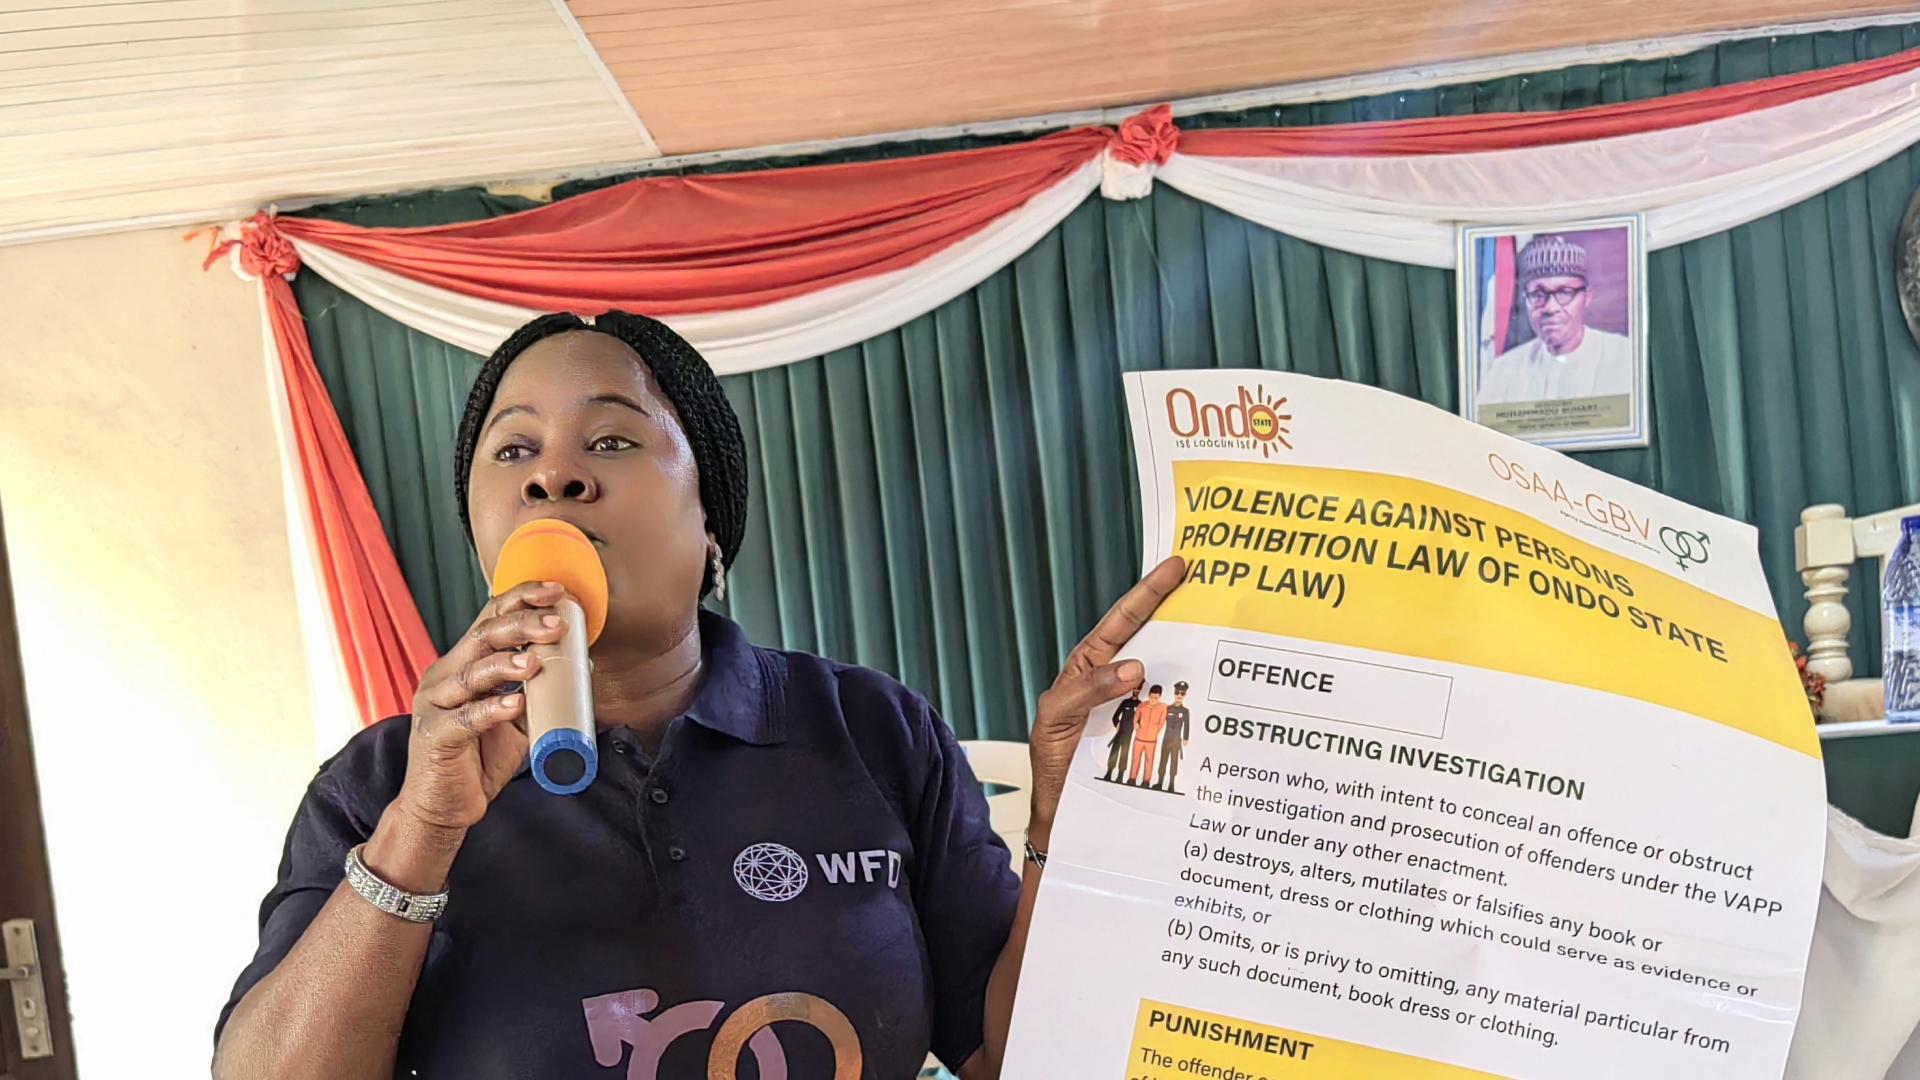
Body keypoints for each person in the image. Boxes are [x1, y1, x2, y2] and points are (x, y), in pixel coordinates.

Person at [211, 310, 1187, 1080]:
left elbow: (1016, 1056)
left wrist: (1073, 819)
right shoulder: (382, 783)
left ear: (712, 522)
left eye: (612, 440)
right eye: (514, 453)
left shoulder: (870, 731)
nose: (554, 474)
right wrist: (420, 833)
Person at [1477, 234, 1634, 406]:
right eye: (1538, 295)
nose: (1550, 308)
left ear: (1587, 297)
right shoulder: (1503, 370)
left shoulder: (1625, 357)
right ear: (1525, 298)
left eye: (1564, 292)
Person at [1155, 681, 1191, 792]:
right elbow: (1160, 721)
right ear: (1174, 693)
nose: (1179, 695)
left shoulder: (1185, 711)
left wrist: (1185, 738)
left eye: (1182, 693)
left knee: (1174, 762)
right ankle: (1160, 783)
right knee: (1163, 761)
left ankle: (1171, 785)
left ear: (1185, 695)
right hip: (1166, 738)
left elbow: (1187, 725)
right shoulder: (1168, 708)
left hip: (1176, 740)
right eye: (1177, 692)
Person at [1129, 685, 1167, 785]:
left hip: (1151, 740)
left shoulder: (1162, 708)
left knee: (1149, 761)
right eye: (1151, 697)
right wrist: (1137, 727)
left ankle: (1146, 781)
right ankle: (1132, 778)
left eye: (1156, 698)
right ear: (1149, 695)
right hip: (1139, 738)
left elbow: (1161, 723)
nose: (1153, 699)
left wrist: (1154, 732)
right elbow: (1136, 718)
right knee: (1136, 759)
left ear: (1159, 697)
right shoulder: (1142, 705)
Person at [1104, 689, 1140, 783]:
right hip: (1120, 732)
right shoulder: (1125, 702)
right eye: (1135, 689)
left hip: (1129, 734)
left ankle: (1120, 776)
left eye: (1138, 690)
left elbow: (1141, 719)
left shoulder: (1140, 705)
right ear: (1133, 690)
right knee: (1114, 752)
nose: (1136, 691)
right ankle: (1109, 773)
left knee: (1124, 753)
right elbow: (1115, 716)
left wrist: (1138, 726)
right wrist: (1117, 724)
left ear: (1140, 691)